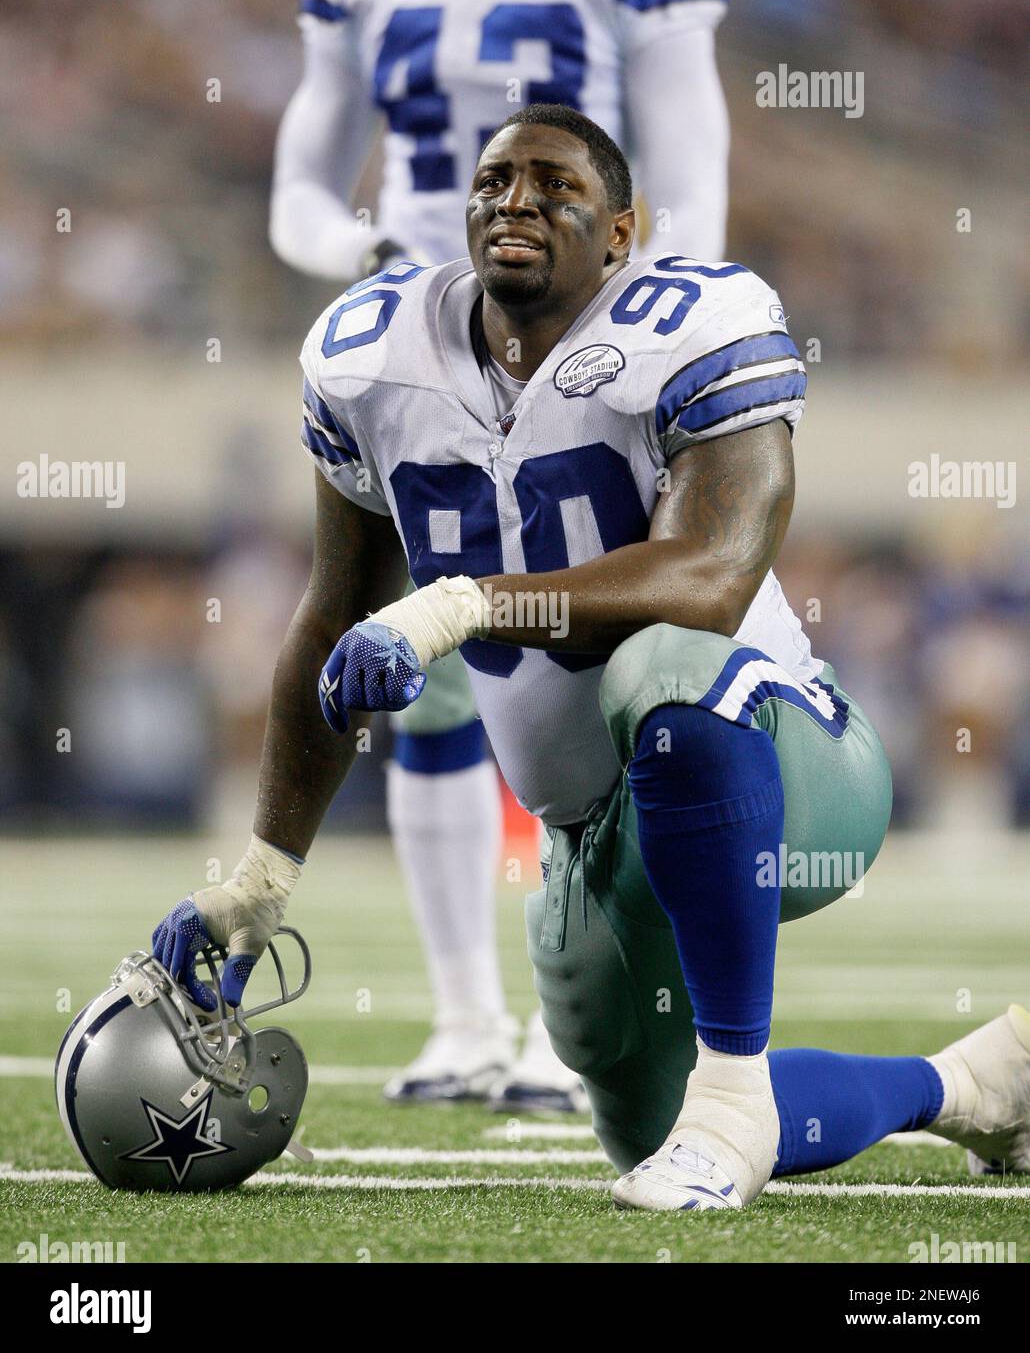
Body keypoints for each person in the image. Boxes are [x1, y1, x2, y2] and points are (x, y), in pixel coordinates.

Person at [153, 107, 1030, 1209]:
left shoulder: (695, 321)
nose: (515, 199)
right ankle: (976, 1083)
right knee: (657, 1134)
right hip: (589, 834)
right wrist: (260, 879)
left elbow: (707, 578)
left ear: (621, 234)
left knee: (659, 663)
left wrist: (458, 606)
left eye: (553, 184)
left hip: (782, 754)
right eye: (493, 180)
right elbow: (332, 617)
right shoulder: (369, 357)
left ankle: (729, 1099)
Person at [267, 0, 732, 1109]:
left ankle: (571, 1009)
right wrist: (370, 258)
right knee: (422, 678)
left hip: (590, 324)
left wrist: (666, 326)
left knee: (604, 655)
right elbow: (299, 194)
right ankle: (465, 1017)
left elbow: (685, 145)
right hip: (422, 339)